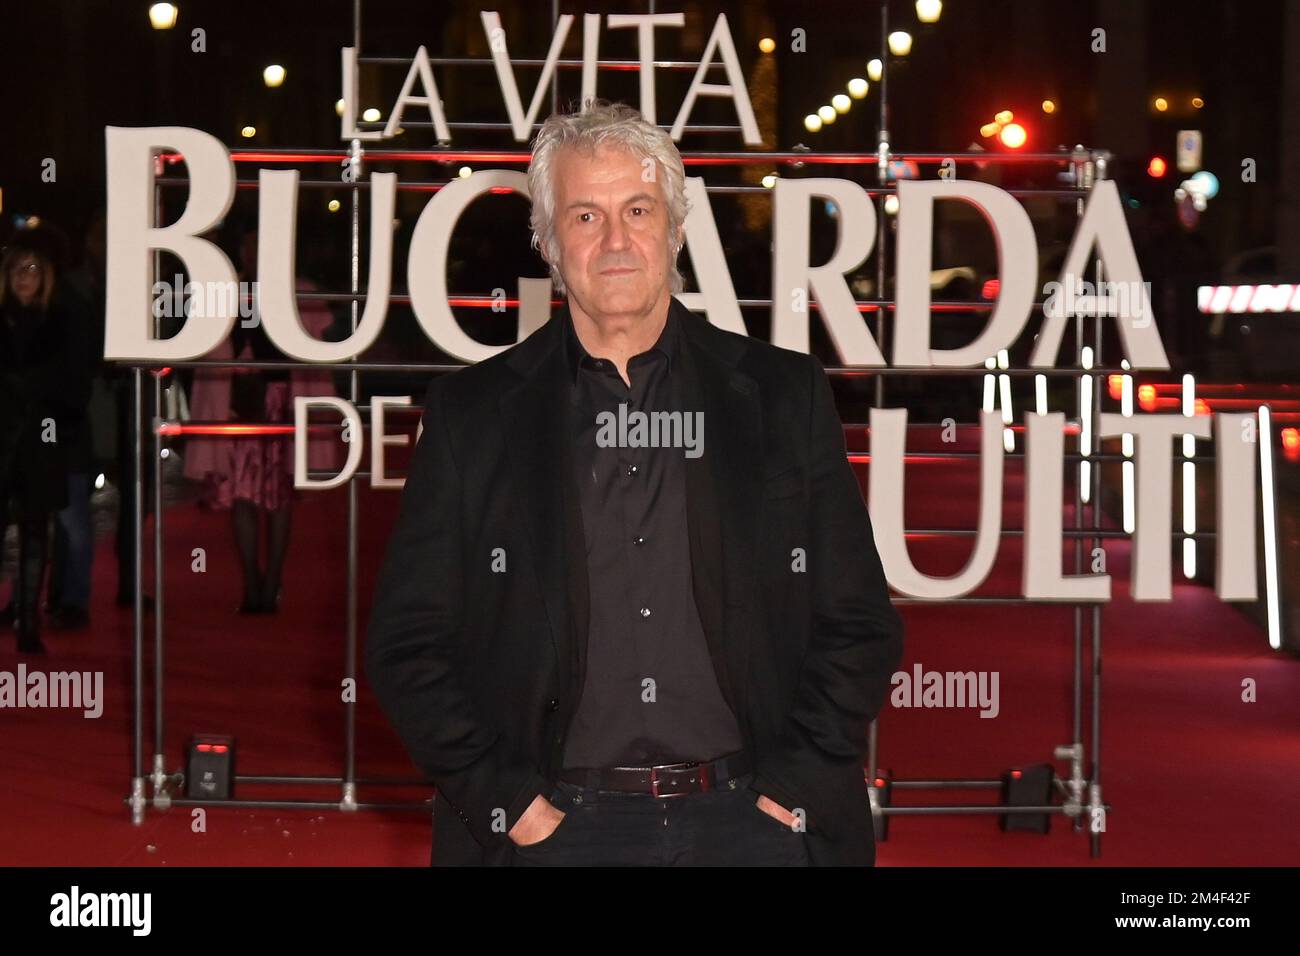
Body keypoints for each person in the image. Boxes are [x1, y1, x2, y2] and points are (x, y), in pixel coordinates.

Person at [365, 99, 904, 866]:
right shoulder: (472, 416)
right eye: (584, 216)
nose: (615, 240)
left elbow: (858, 620)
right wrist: (506, 802)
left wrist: (797, 785)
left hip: (757, 823)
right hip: (554, 833)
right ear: (549, 245)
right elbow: (407, 645)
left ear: (676, 229)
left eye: (638, 209)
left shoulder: (782, 395)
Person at [182, 228, 337, 613]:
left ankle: (271, 580)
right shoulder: (227, 293)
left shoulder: (299, 292)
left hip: (279, 406)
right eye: (246, 247)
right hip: (237, 405)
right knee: (242, 496)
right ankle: (253, 579)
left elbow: (315, 354)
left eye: (258, 247)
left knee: (277, 496)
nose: (251, 254)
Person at [0, 223, 88, 654]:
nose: (23, 276)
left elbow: (73, 383)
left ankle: (28, 621)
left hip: (41, 442)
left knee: (37, 532)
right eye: (16, 268)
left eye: (31, 268)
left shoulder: (61, 322)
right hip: (3, 442)